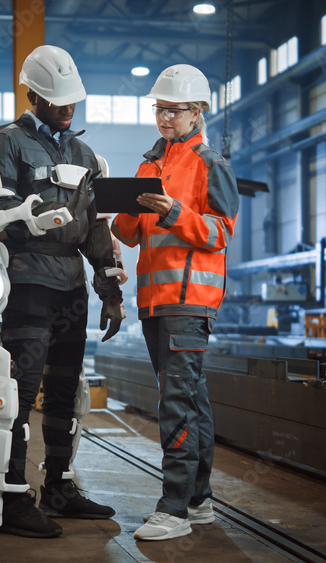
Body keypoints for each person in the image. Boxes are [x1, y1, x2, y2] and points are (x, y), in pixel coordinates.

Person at [0, 44, 125, 538]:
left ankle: (60, 488)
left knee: (66, 391)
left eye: (72, 100)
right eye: (56, 100)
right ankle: (12, 500)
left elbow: (96, 229)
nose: (67, 108)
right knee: (19, 394)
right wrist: (42, 218)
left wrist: (110, 289)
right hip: (28, 282)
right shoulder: (7, 141)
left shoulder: (85, 155)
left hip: (71, 285)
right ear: (34, 96)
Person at [111, 64, 239, 541]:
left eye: (174, 110)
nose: (165, 117)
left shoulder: (211, 164)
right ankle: (199, 501)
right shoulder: (150, 165)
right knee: (191, 402)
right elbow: (130, 232)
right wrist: (121, 209)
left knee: (176, 405)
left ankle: (174, 509)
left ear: (198, 111)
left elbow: (220, 232)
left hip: (190, 302)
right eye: (159, 109)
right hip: (154, 302)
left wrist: (175, 212)